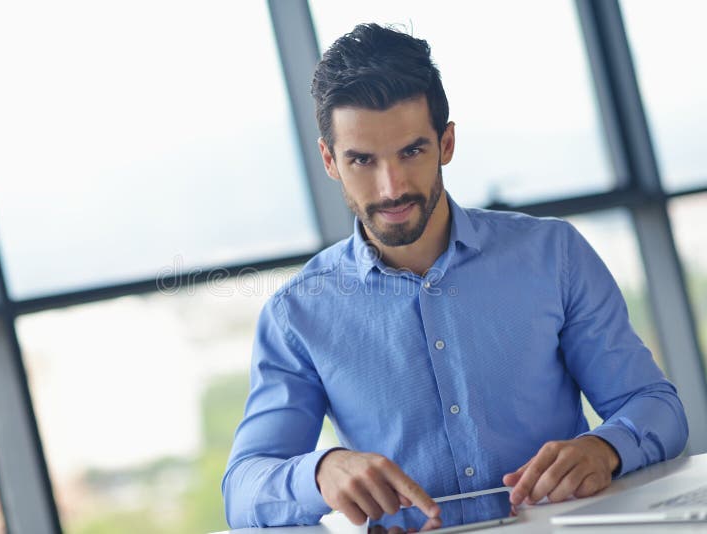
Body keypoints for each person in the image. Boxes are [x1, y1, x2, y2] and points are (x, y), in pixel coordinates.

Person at [221, 22, 688, 529]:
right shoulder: (298, 314)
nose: (391, 187)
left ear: (446, 143)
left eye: (411, 151)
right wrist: (321, 471)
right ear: (330, 160)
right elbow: (244, 492)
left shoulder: (555, 255)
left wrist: (604, 448)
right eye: (362, 160)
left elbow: (655, 406)